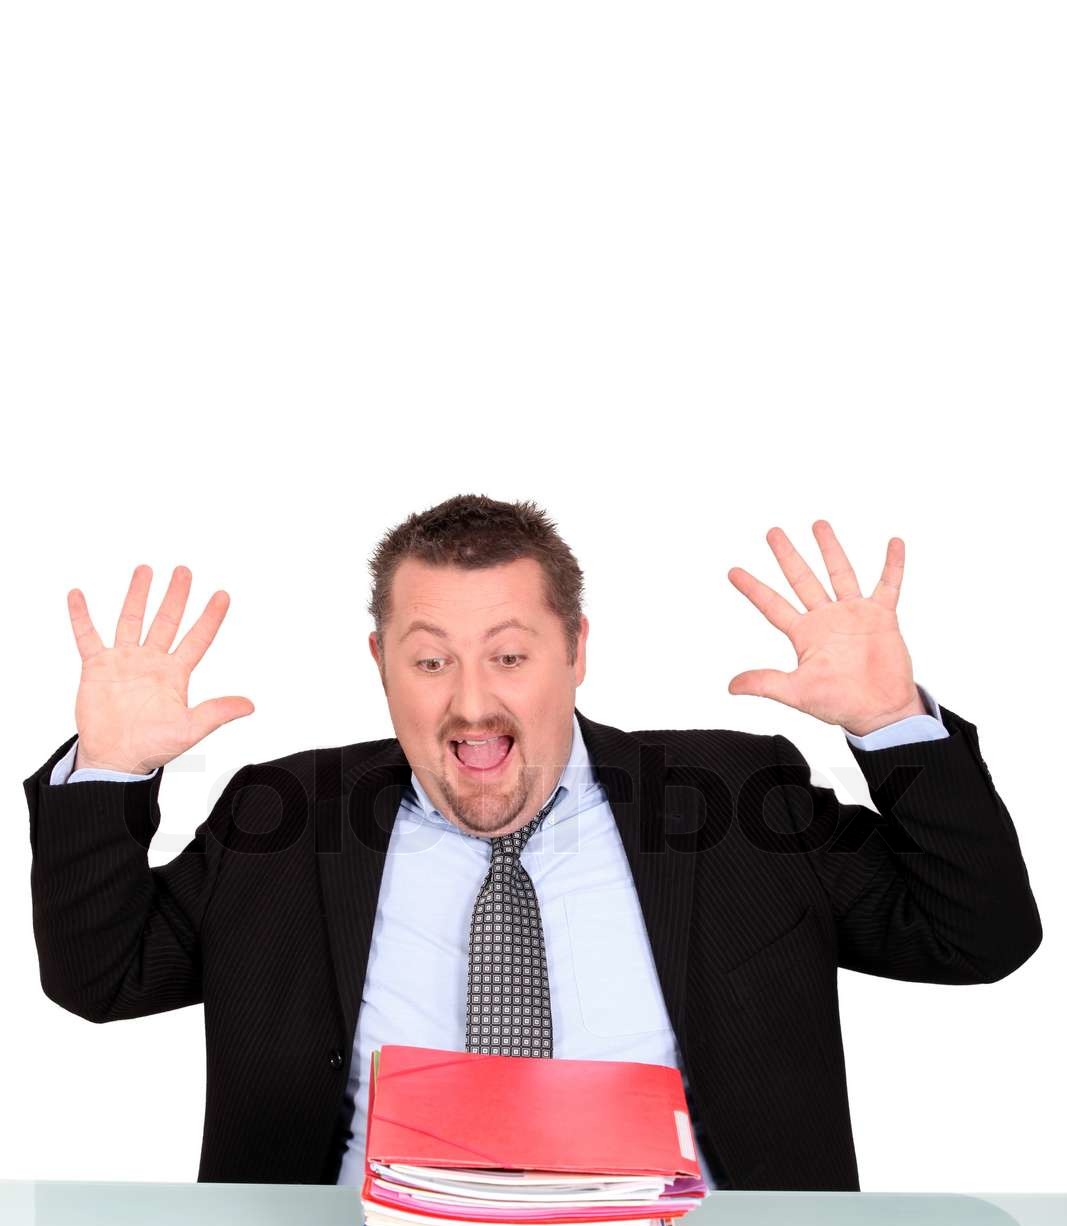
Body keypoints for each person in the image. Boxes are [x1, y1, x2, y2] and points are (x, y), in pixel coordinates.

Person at [22, 494, 1041, 1189]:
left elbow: (975, 935)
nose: (471, 700)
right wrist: (111, 768)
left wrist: (892, 724)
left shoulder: (735, 797)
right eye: (429, 660)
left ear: (576, 650)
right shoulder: (280, 816)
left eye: (509, 654)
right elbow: (100, 974)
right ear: (379, 662)